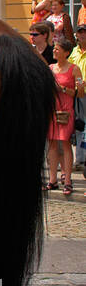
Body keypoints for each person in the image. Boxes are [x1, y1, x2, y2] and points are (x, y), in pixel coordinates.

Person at [46, 38, 84, 195]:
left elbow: (80, 93)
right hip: (53, 110)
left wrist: (62, 89)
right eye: (54, 48)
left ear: (66, 52)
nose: (54, 51)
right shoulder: (50, 68)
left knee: (66, 144)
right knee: (52, 144)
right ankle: (52, 179)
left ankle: (67, 180)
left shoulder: (74, 69)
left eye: (57, 49)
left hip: (66, 110)